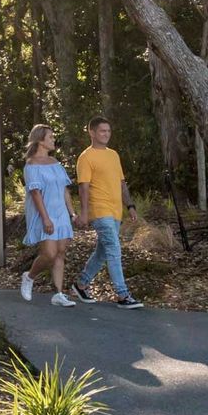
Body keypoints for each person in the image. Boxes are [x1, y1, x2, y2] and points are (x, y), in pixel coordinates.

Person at [69, 116, 144, 309]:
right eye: (102, 131)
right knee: (113, 248)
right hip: (99, 210)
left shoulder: (113, 155)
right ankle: (122, 294)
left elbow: (121, 183)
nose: (106, 134)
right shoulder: (86, 157)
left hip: (115, 211)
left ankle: (81, 284)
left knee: (102, 252)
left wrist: (130, 205)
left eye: (108, 131)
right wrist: (84, 213)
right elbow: (83, 187)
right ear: (92, 132)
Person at [19, 124, 77, 307]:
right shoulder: (31, 165)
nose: (53, 140)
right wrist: (45, 218)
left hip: (61, 214)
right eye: (50, 137)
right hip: (45, 214)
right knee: (49, 254)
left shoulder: (55, 163)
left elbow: (65, 190)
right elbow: (35, 193)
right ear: (40, 140)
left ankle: (58, 294)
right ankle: (29, 277)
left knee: (60, 253)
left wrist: (72, 213)